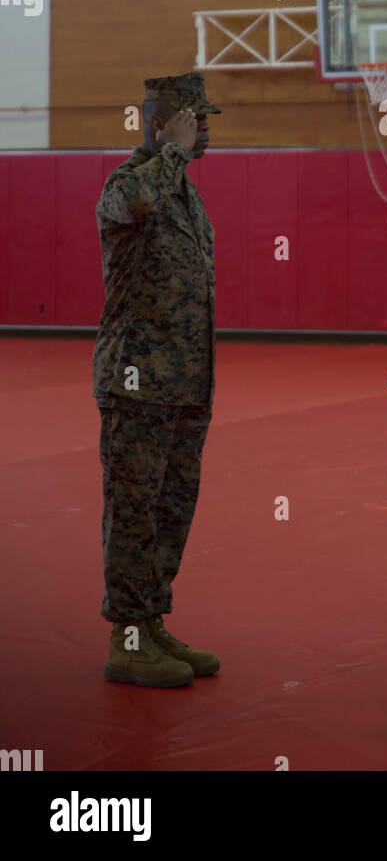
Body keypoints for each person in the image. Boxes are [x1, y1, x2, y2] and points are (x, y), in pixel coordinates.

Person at [93, 71, 221, 688]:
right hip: (137, 383)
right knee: (135, 510)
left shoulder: (186, 192)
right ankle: (127, 638)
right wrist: (168, 150)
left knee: (171, 510)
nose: (206, 133)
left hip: (185, 385)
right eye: (196, 121)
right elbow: (137, 201)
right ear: (162, 124)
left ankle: (151, 620)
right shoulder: (127, 184)